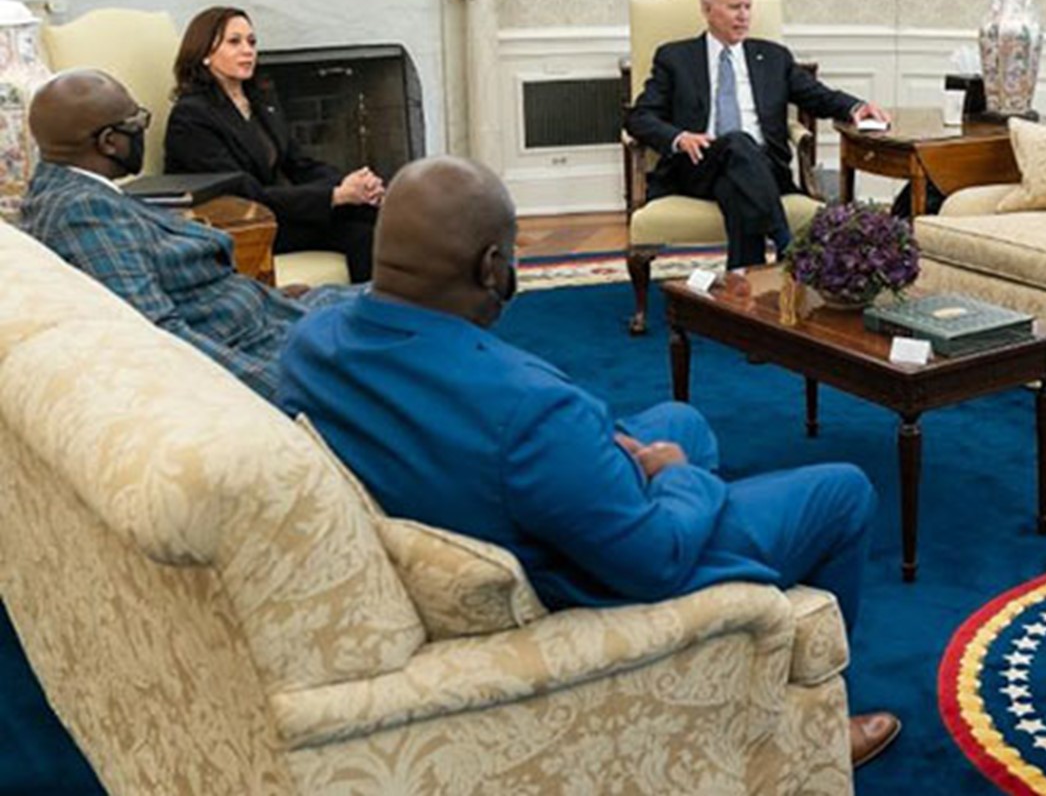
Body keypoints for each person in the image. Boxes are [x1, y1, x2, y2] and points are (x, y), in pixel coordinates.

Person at [276, 156, 902, 767]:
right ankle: (814, 725)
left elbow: (520, 432)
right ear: (494, 267)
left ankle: (724, 572)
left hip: (489, 485)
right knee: (841, 490)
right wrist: (676, 476)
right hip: (584, 571)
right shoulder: (526, 407)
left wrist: (605, 455)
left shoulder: (312, 342)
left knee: (683, 421)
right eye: (512, 252)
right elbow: (653, 561)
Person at [21, 70, 320, 401]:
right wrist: (301, 392)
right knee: (385, 330)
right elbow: (161, 337)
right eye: (137, 122)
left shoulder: (64, 189)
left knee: (378, 301)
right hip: (262, 348)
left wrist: (268, 297)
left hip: (263, 313)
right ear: (109, 142)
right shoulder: (82, 212)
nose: (143, 130)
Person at [624, 0, 890, 270]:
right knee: (737, 142)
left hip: (764, 167)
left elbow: (816, 95)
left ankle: (743, 284)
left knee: (734, 184)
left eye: (748, 7)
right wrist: (679, 138)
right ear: (708, 10)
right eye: (734, 7)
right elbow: (640, 117)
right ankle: (785, 242)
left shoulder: (773, 56)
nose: (744, 16)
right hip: (697, 165)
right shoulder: (675, 58)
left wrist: (856, 107)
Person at [164, 6, 385, 282]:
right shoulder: (191, 116)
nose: (248, 50)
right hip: (241, 224)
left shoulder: (259, 102)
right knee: (361, 233)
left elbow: (300, 164)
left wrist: (355, 185)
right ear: (205, 54)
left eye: (252, 42)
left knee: (373, 212)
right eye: (235, 42)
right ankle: (373, 317)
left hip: (274, 212)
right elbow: (247, 193)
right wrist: (336, 196)